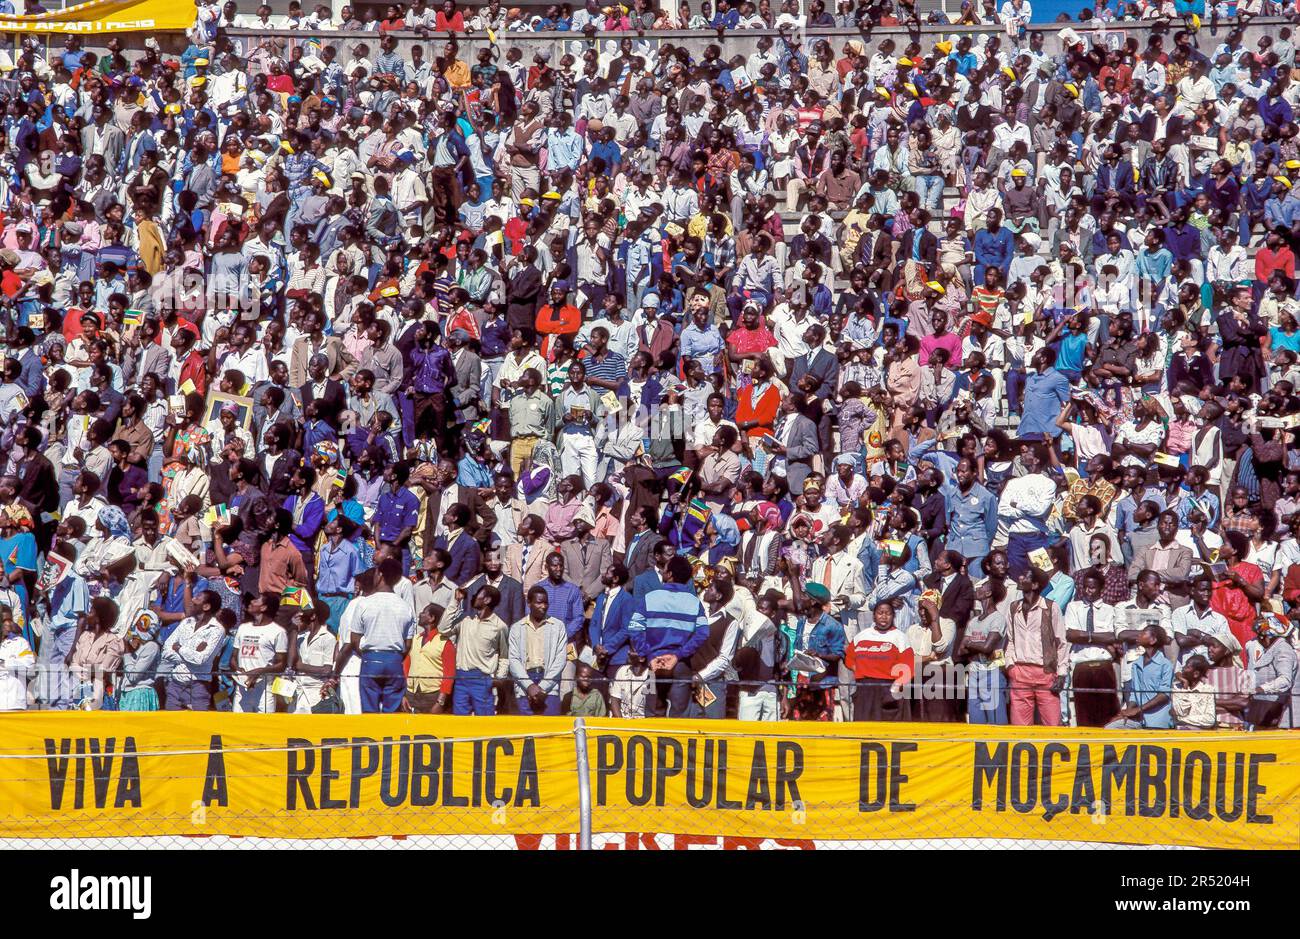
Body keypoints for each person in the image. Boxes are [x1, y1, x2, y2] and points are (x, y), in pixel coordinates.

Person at [327, 557, 416, 713]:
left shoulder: (364, 603)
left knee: (369, 711)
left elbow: (354, 640)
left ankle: (371, 737)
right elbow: (408, 645)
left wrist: (370, 655)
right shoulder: (405, 607)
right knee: (392, 712)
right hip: (395, 660)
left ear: (380, 575)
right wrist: (393, 657)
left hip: (370, 659)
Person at [627, 555, 709, 717]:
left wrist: (649, 654)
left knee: (652, 715)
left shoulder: (650, 598)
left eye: (664, 569)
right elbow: (702, 633)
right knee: (679, 719)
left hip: (654, 665)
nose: (662, 571)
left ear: (669, 574)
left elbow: (634, 628)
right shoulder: (694, 602)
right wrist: (678, 655)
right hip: (680, 665)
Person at [508, 584, 567, 715]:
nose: (543, 606)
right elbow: (514, 660)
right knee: (527, 731)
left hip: (549, 683)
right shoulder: (517, 628)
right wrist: (529, 686)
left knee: (550, 730)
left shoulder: (557, 626)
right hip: (524, 683)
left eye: (546, 603)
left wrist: (543, 687)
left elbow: (560, 660)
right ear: (529, 603)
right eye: (539, 603)